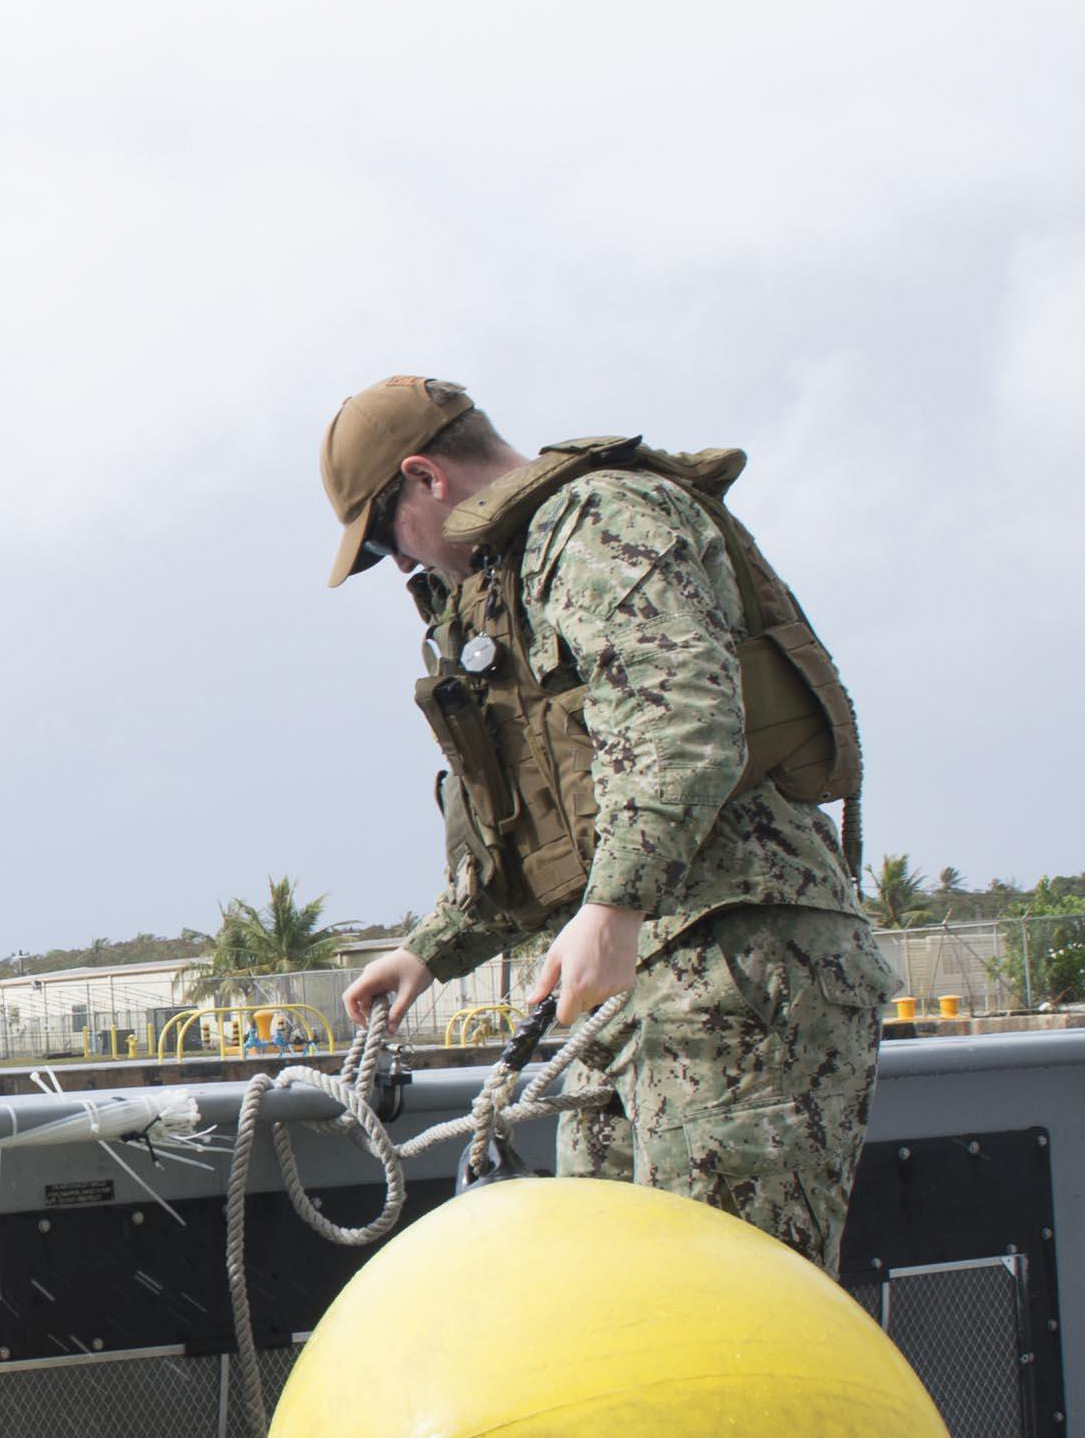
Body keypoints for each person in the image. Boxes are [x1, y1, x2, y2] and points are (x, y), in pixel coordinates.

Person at [325, 376, 893, 1269]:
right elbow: (549, 815)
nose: (401, 566)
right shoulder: (504, 576)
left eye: (388, 538)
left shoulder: (597, 521)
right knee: (623, 1311)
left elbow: (684, 717)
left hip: (731, 967)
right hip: (625, 993)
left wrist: (616, 907)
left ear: (425, 477)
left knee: (727, 1318)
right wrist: (430, 951)